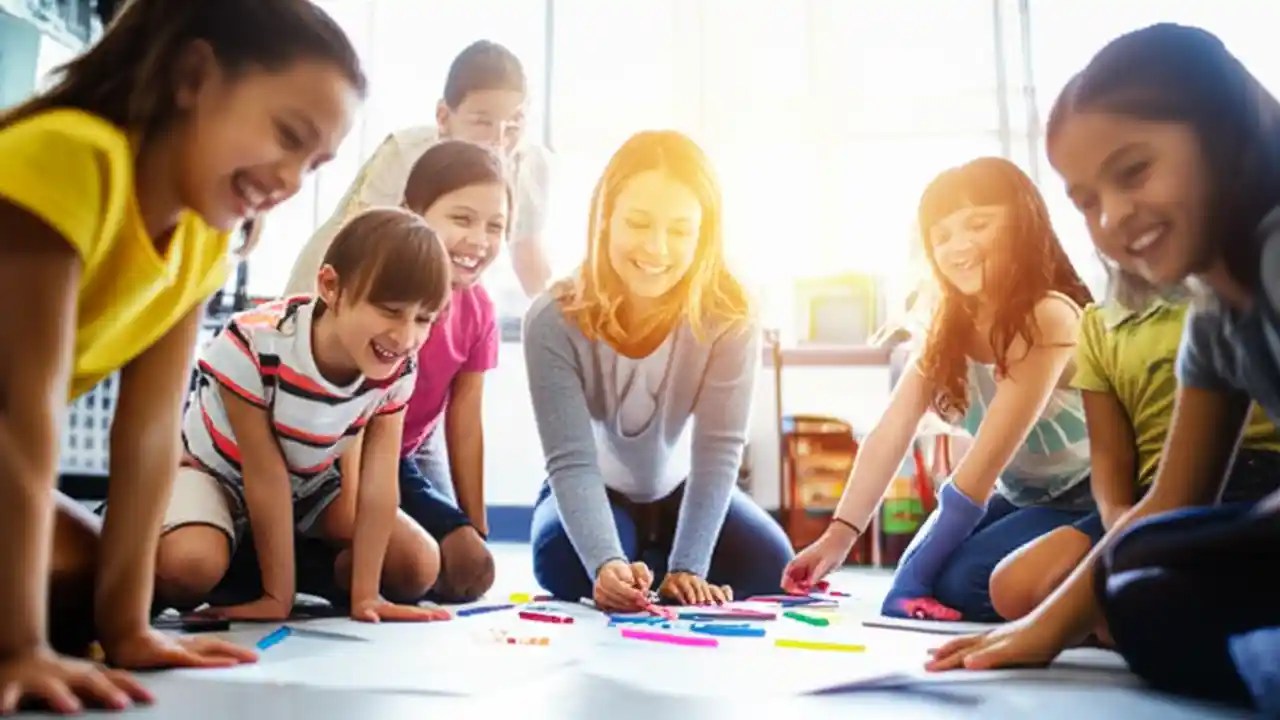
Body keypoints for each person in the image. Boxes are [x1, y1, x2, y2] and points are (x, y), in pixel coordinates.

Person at [0, 0, 362, 711]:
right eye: (287, 135)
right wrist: (18, 647)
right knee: (37, 603)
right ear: (194, 75)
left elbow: (148, 431)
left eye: (312, 162)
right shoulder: (71, 155)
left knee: (83, 588)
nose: (290, 179)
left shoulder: (202, 238)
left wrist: (129, 627)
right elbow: (21, 415)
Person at [927, 24, 1280, 714]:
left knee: (1150, 592)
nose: (1112, 216)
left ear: (1220, 133)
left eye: (1135, 171)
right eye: (1086, 200)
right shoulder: (1214, 315)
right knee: (1141, 583)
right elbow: (1170, 499)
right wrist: (1041, 631)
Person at [780, 157, 1096, 622]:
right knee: (947, 573)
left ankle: (1103, 595)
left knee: (962, 581)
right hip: (1024, 497)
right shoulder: (946, 328)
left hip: (1092, 499)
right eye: (942, 235)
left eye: (978, 224)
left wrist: (907, 587)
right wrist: (838, 537)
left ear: (1024, 225)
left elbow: (982, 467)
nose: (958, 246)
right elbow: (889, 434)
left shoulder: (1049, 316)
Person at [524, 130, 793, 612]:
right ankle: (637, 558)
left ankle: (659, 558)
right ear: (605, 220)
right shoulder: (551, 319)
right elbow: (571, 461)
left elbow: (718, 449)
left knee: (769, 566)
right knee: (564, 566)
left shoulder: (730, 314)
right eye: (638, 223)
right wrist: (605, 563)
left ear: (703, 236)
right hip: (596, 487)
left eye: (679, 230)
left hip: (680, 487)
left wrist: (690, 566)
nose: (656, 248)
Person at [153, 209, 453, 625]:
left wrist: (367, 596)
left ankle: (271, 567)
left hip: (306, 485)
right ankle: (234, 562)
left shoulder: (398, 366)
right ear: (331, 286)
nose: (406, 337)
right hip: (218, 475)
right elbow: (264, 472)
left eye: (424, 319)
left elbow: (380, 484)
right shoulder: (254, 342)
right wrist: (278, 597)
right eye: (389, 310)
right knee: (189, 567)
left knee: (416, 564)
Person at [986, 275, 1280, 621]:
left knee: (1158, 590)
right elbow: (1110, 452)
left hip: (1252, 477)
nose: (1115, 222)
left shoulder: (1231, 296)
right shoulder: (1098, 324)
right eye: (1093, 216)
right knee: (1011, 586)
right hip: (1150, 495)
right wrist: (1116, 517)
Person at [293, 140, 507, 604]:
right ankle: (286, 561)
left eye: (496, 226)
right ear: (412, 212)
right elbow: (349, 416)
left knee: (471, 569)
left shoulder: (479, 310)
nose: (479, 240)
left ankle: (358, 565)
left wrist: (475, 523)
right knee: (411, 565)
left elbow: (465, 421)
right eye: (461, 219)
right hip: (330, 455)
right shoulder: (374, 296)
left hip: (399, 460)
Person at [284, 39, 552, 299]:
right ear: (444, 117)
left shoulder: (529, 164)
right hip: (341, 285)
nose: (499, 140)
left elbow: (528, 254)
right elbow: (358, 242)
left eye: (515, 124)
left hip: (433, 298)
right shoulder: (405, 152)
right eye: (483, 122)